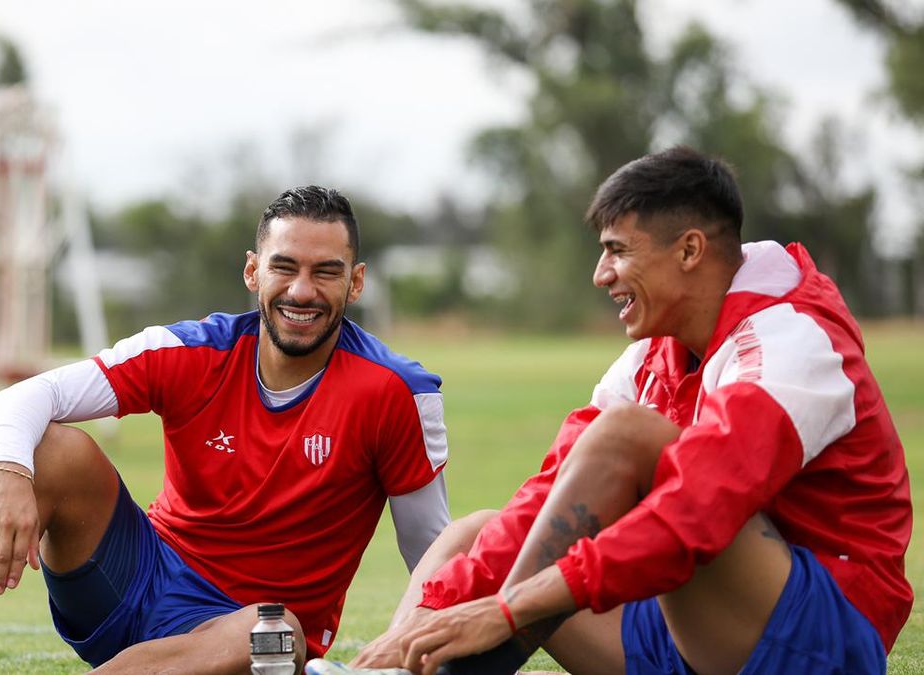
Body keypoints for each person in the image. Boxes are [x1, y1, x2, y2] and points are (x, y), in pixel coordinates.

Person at [311, 147, 912, 675]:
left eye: (617, 252)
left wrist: (507, 608)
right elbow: (549, 496)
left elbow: (696, 512)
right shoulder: (654, 353)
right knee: (475, 536)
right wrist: (434, 617)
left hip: (818, 642)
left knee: (629, 439)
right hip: (686, 630)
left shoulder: (791, 340)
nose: (601, 275)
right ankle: (394, 666)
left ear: (690, 250)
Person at [0, 186, 452, 675]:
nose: (302, 290)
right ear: (252, 272)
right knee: (51, 448)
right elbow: (28, 397)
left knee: (276, 631)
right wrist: (9, 473)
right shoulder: (191, 350)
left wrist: (430, 652)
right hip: (132, 581)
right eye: (284, 267)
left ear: (356, 282)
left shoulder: (398, 391)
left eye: (326, 272)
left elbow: (431, 552)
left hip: (250, 641)